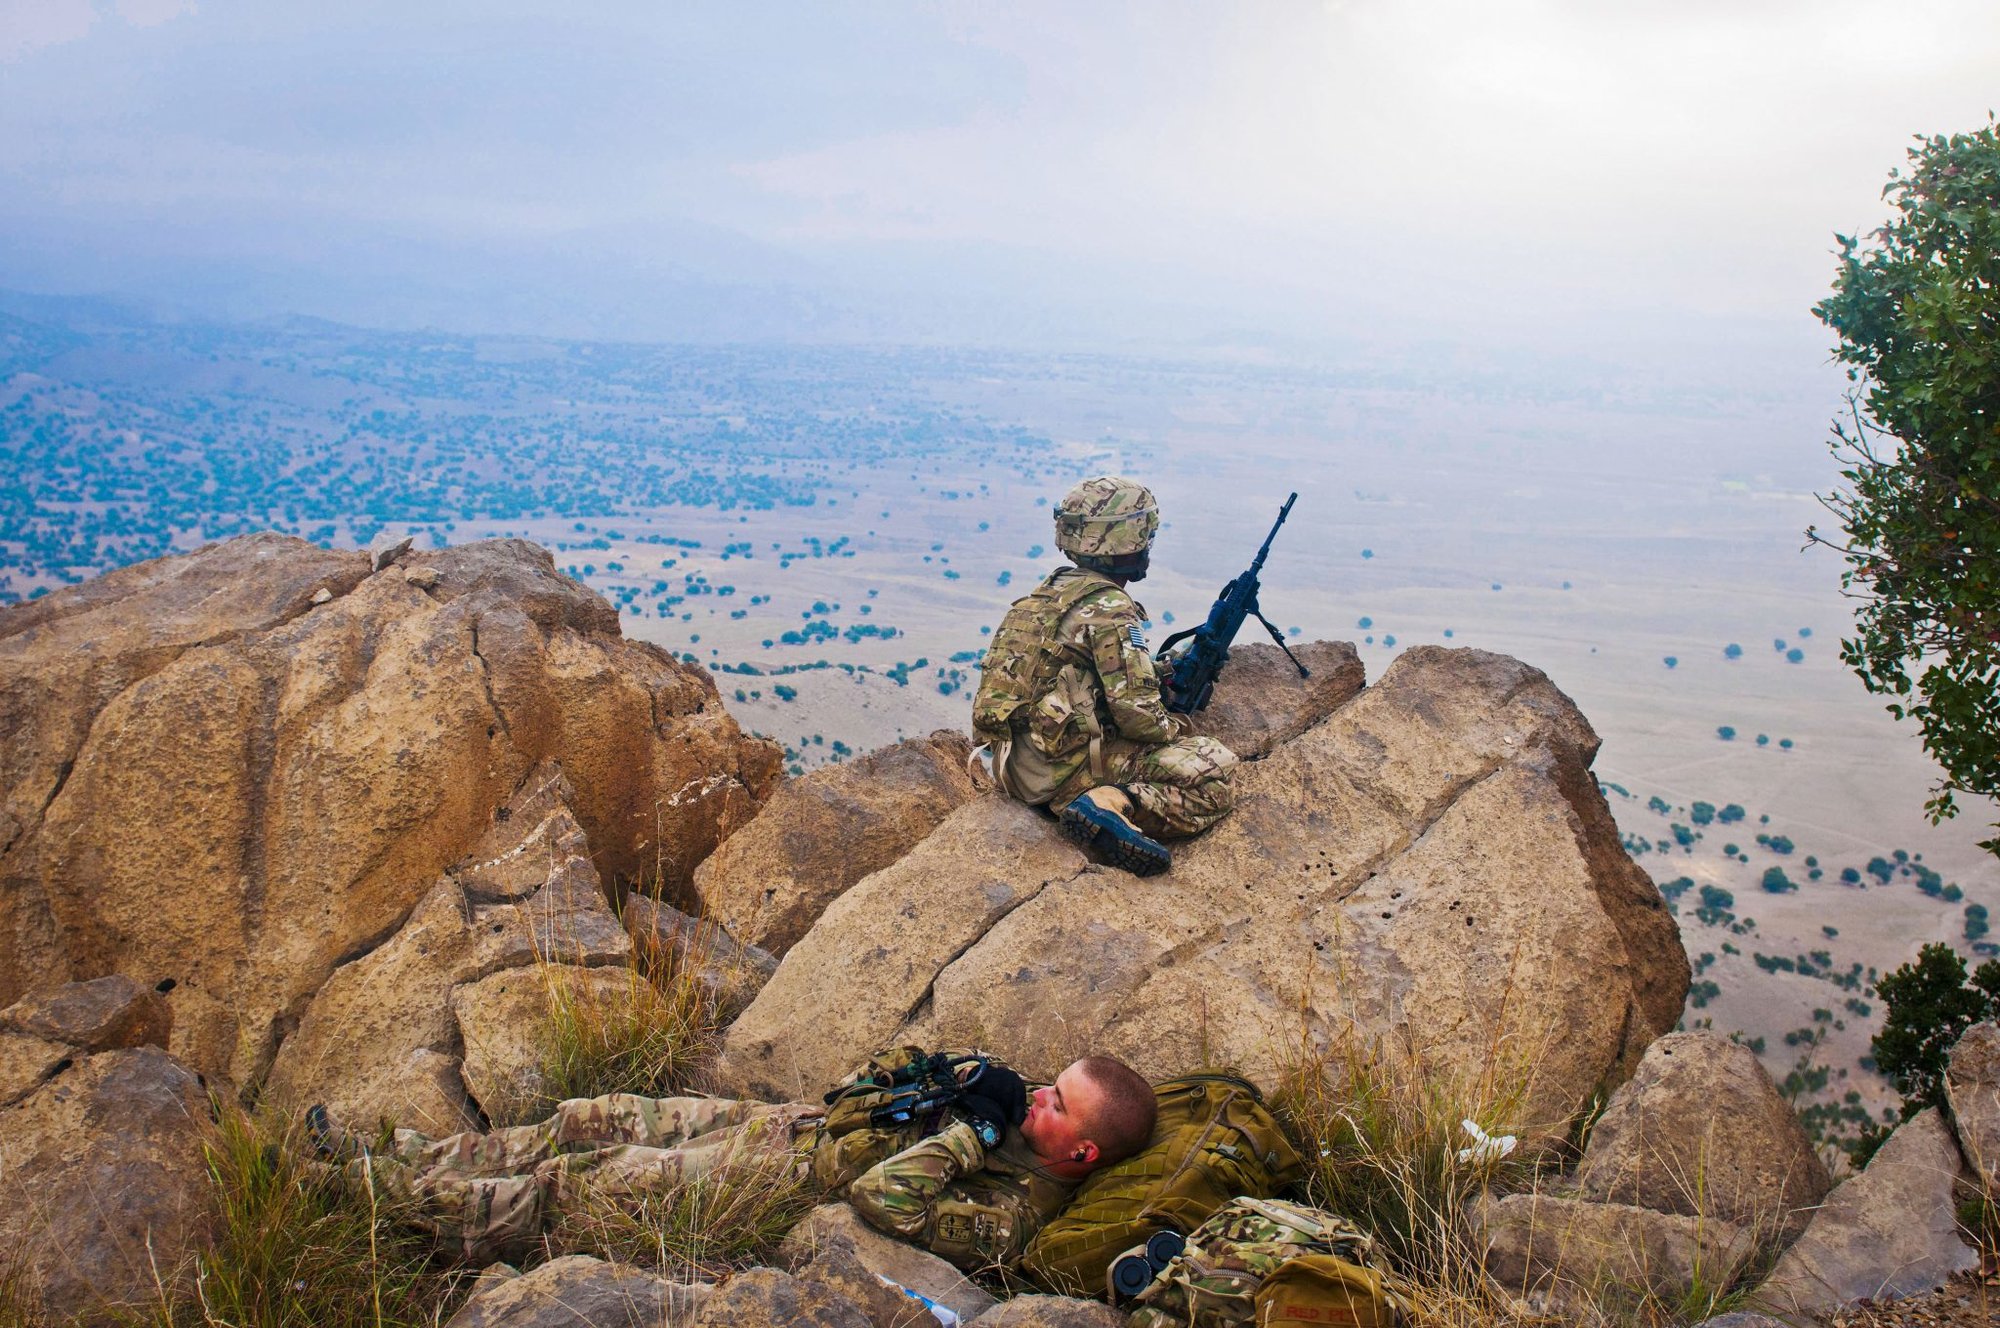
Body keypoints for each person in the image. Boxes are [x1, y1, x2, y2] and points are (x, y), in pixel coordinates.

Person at [312, 1049, 1156, 1275]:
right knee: (593, 1120)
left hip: (779, 1179)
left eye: (1056, 1103)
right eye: (1048, 1085)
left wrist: (970, 1133)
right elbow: (859, 1088)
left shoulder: (1015, 1212)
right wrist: (946, 1075)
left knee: (576, 1185)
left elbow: (881, 1200)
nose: (1036, 1097)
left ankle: (365, 1199)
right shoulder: (1012, 1107)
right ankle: (407, 1156)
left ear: (1082, 1151)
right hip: (787, 1127)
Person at [972, 475, 1239, 875]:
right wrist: (1177, 729)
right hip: (1058, 776)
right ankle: (1108, 804)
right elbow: (1138, 715)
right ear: (1124, 539)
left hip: (1012, 767)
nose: (1148, 545)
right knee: (1214, 769)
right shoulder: (1111, 606)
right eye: (1144, 534)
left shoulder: (1048, 594)